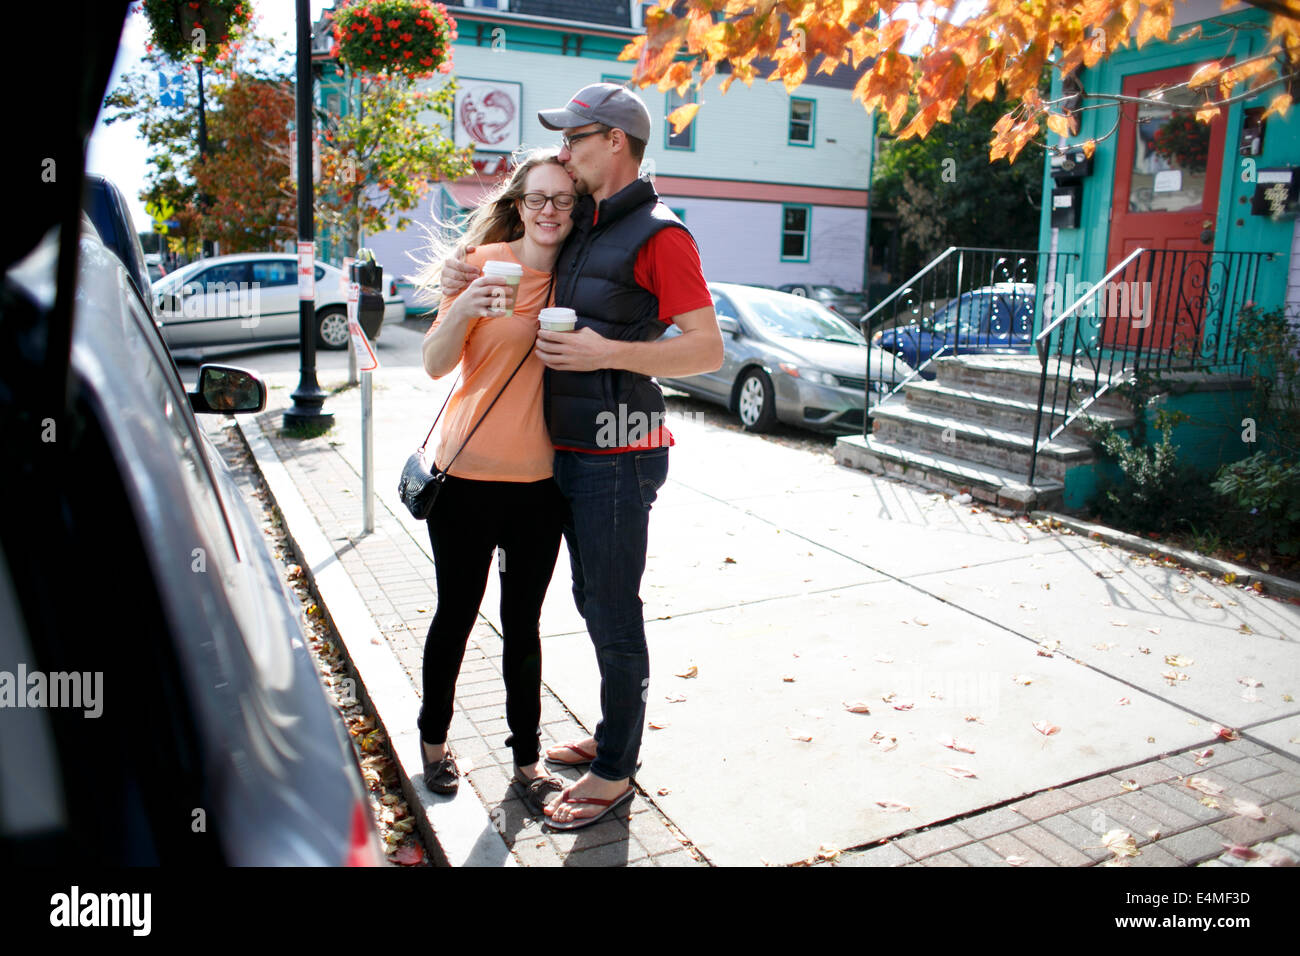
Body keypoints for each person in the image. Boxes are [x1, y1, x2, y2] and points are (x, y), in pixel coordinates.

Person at [443, 83, 723, 831]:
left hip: (620, 452)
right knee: (590, 603)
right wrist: (456, 277)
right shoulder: (590, 227)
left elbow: (706, 346)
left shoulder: (662, 235)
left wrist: (607, 350)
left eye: (575, 138)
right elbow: (517, 247)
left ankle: (617, 769)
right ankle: (610, 735)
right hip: (566, 450)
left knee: (612, 609)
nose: (564, 152)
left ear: (617, 142)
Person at [411, 148, 576, 814]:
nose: (550, 211)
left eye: (564, 199)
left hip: (543, 485)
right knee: (456, 613)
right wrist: (463, 304)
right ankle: (432, 744)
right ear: (517, 203)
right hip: (467, 477)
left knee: (523, 623)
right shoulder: (481, 266)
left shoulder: (580, 275)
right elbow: (432, 365)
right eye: (538, 198)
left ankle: (528, 762)